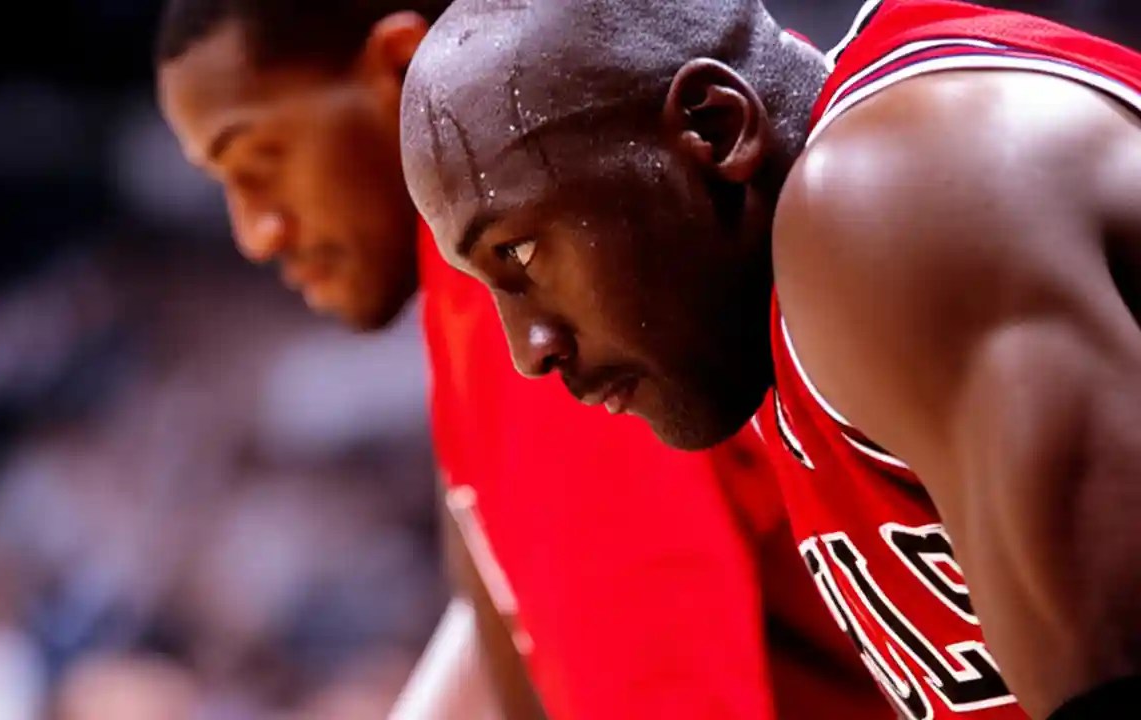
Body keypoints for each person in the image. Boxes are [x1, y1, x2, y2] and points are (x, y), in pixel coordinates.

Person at [400, 0, 1141, 718]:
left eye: (521, 253)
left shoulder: (888, 192)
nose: (530, 352)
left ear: (714, 129)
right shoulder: (797, 326)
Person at [154, 2, 889, 718]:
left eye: (259, 159)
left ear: (401, 68)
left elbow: (664, 693)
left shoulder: (550, 292)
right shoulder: (492, 284)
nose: (255, 231)